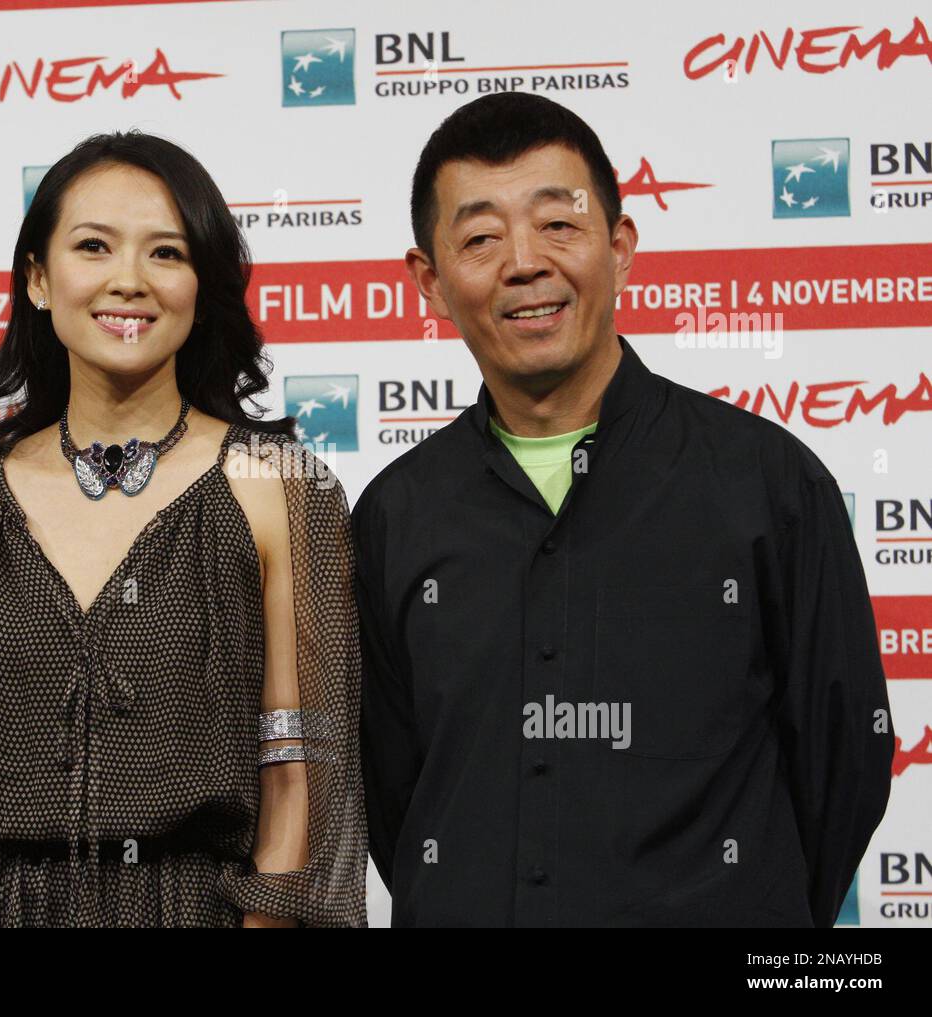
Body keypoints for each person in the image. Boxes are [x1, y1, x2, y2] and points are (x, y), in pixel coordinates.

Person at [354, 92, 895, 927]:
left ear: (621, 247)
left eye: (558, 225)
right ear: (429, 280)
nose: (524, 262)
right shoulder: (394, 514)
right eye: (481, 237)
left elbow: (842, 760)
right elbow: (396, 793)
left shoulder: (768, 483)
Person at [0, 130, 367, 928]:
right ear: (40, 281)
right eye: (94, 246)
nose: (129, 281)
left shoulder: (278, 491)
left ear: (201, 285)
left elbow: (302, 765)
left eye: (167, 253)